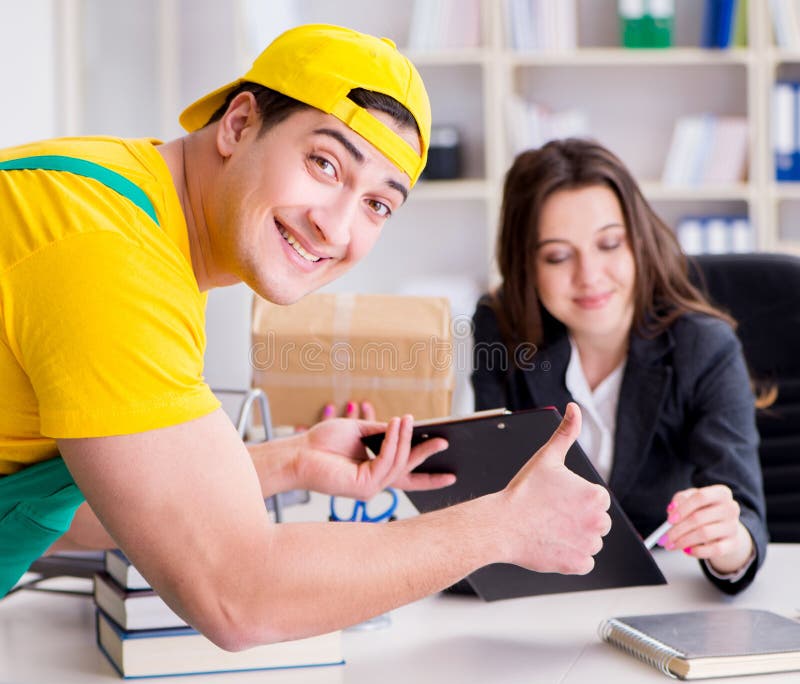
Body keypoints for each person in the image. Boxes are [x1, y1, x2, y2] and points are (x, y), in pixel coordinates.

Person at [0, 25, 611, 648]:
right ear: (239, 124)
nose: (336, 227)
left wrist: (292, 460)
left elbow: (74, 515)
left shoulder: (125, 204)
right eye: (325, 163)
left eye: (378, 204)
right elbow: (239, 595)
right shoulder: (111, 258)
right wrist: (501, 528)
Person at [471, 138, 768, 595]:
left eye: (609, 244)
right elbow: (485, 489)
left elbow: (743, 519)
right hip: (536, 595)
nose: (589, 275)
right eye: (558, 255)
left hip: (662, 592)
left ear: (638, 242)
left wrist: (728, 541)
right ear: (526, 265)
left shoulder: (703, 346)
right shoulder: (501, 328)